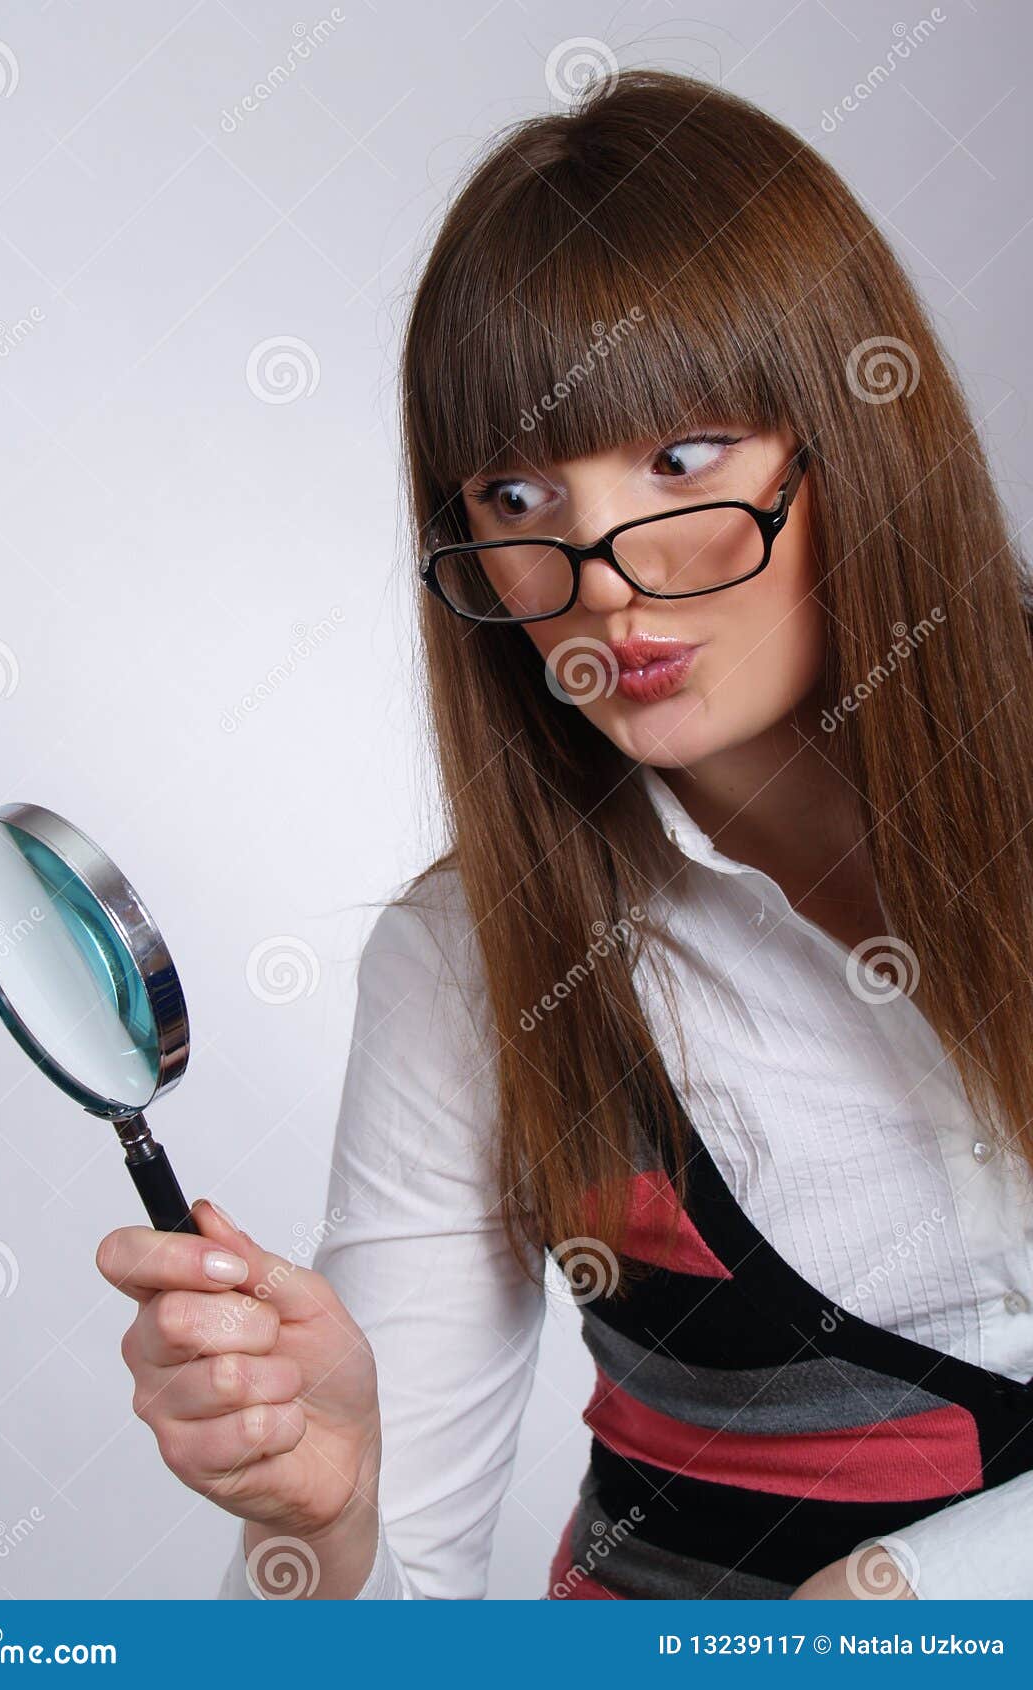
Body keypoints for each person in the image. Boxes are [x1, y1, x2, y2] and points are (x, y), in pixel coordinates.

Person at [95, 67, 1033, 1601]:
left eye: (681, 461)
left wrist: (901, 1598)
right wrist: (324, 1524)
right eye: (517, 490)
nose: (601, 580)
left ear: (859, 432)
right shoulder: (471, 964)